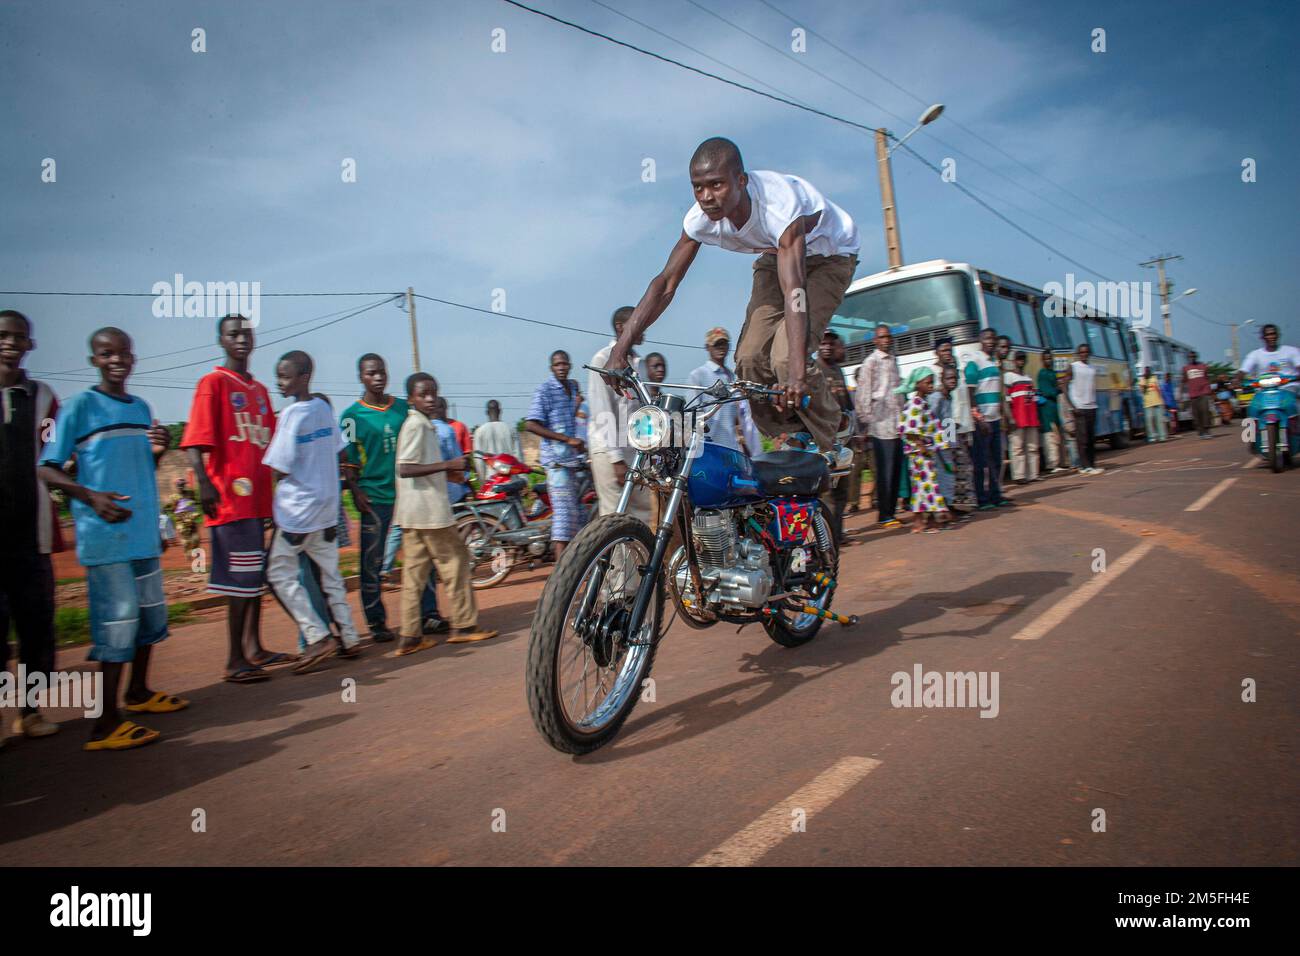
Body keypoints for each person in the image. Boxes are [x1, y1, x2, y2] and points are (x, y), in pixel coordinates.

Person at [607, 137, 859, 462]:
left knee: (785, 357)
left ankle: (836, 428)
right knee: (749, 359)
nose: (707, 198)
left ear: (741, 181)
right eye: (698, 188)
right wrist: (620, 348)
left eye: (717, 185)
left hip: (830, 256)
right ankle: (789, 433)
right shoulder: (699, 220)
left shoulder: (779, 206)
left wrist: (796, 374)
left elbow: (795, 290)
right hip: (774, 256)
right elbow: (666, 283)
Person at [38, 328, 184, 751]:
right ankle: (104, 724)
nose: (116, 359)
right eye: (107, 353)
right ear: (94, 360)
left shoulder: (141, 408)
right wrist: (91, 496)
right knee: (118, 624)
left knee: (149, 619)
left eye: (123, 353)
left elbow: (141, 464)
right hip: (105, 536)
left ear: (133, 359)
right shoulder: (79, 407)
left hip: (141, 533)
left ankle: (138, 693)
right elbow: (47, 468)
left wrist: (160, 449)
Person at [182, 314, 293, 684]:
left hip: (259, 501)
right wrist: (204, 483)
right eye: (233, 334)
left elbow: (274, 448)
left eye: (246, 333)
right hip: (230, 500)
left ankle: (255, 647)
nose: (241, 339)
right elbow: (196, 441)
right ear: (221, 341)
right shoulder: (213, 383)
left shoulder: (260, 391)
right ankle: (234, 660)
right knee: (238, 583)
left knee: (253, 578)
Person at [261, 351, 363, 673]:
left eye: (285, 376)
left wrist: (266, 502)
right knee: (331, 576)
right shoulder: (322, 408)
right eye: (279, 376)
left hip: (297, 513)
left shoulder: (292, 415)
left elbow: (278, 465)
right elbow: (338, 449)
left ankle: (317, 636)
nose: (279, 382)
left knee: (276, 573)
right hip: (326, 511)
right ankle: (348, 636)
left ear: (303, 377)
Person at [338, 354, 441, 643]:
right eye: (371, 374)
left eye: (382, 372)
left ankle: (429, 614)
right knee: (372, 562)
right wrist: (355, 490)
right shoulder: (351, 416)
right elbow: (347, 459)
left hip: (410, 495)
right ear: (361, 377)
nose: (378, 377)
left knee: (422, 557)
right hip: (375, 498)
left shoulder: (402, 408)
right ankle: (376, 622)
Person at [395, 373, 498, 655]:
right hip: (429, 513)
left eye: (433, 393)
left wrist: (450, 474)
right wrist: (447, 464)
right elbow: (405, 467)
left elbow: (417, 468)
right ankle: (465, 626)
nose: (430, 399)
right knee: (457, 564)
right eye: (422, 394)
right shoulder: (417, 425)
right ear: (411, 399)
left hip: (413, 512)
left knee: (413, 577)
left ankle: (409, 635)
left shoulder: (421, 424)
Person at [0, 310, 62, 746]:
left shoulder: (43, 399)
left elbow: (54, 455)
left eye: (19, 337)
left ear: (30, 345)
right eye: (4, 335)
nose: (11, 343)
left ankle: (30, 711)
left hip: (32, 538)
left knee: (38, 631)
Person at [588, 307, 653, 522]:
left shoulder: (640, 364)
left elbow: (644, 410)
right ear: (620, 327)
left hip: (636, 452)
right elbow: (601, 411)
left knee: (644, 516)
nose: (644, 326)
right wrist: (616, 460)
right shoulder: (603, 359)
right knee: (615, 518)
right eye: (639, 321)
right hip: (608, 451)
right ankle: (615, 557)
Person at [525, 350, 587, 561]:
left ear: (570, 366)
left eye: (564, 364)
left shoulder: (571, 390)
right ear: (551, 368)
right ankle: (561, 570)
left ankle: (577, 566)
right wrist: (566, 439)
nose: (561, 367)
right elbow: (531, 424)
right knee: (563, 518)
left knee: (579, 515)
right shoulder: (544, 390)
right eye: (557, 365)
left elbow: (571, 421)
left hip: (572, 462)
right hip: (557, 464)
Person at [854, 323, 904, 528]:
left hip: (897, 424)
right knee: (885, 471)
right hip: (880, 425)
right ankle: (884, 514)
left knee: (896, 471)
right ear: (875, 340)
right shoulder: (870, 363)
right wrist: (866, 422)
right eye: (882, 337)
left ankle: (891, 511)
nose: (886, 340)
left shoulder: (894, 360)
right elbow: (863, 394)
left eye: (888, 337)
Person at [689, 326, 764, 455]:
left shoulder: (733, 378)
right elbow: (691, 414)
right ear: (708, 347)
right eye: (716, 344)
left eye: (723, 344)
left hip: (731, 447)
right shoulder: (698, 375)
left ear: (728, 346)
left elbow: (743, 416)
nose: (721, 348)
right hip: (708, 446)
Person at [895, 367, 951, 533]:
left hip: (925, 452)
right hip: (920, 454)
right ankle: (924, 522)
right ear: (918, 384)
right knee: (926, 486)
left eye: (932, 382)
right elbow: (909, 429)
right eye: (928, 383)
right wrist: (921, 447)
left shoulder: (923, 402)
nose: (932, 386)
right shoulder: (915, 403)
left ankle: (924, 521)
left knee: (924, 487)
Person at [965, 328, 1014, 507]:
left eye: (993, 338)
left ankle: (996, 495)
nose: (991, 342)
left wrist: (1002, 416)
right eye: (987, 338)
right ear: (980, 340)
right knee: (981, 462)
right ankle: (981, 499)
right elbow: (970, 393)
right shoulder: (974, 361)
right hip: (982, 421)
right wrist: (979, 418)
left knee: (996, 461)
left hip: (995, 419)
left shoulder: (995, 362)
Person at [817, 330, 854, 541]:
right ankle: (828, 537)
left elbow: (847, 403)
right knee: (829, 491)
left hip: (845, 438)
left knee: (842, 489)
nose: (828, 346)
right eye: (823, 343)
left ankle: (838, 534)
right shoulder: (814, 370)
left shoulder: (837, 370)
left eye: (832, 343)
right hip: (826, 440)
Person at [934, 337, 975, 515]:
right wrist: (944, 440)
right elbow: (932, 416)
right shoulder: (936, 386)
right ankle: (946, 507)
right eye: (944, 350)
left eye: (950, 350)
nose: (947, 353)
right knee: (945, 470)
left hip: (955, 430)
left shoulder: (954, 378)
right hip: (941, 437)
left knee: (959, 468)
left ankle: (955, 504)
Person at [927, 366, 962, 522]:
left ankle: (949, 505)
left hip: (947, 444)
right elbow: (931, 421)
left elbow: (946, 421)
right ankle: (942, 511)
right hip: (938, 445)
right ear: (942, 379)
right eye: (949, 378)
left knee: (948, 475)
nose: (952, 381)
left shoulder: (949, 397)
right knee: (941, 476)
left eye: (955, 378)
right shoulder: (937, 397)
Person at [1004, 352, 1042, 483]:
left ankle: (1033, 474)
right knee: (1017, 447)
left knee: (1032, 447)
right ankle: (1019, 475)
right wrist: (1010, 418)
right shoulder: (1008, 377)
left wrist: (1037, 418)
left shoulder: (1028, 378)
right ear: (1014, 361)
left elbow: (1034, 399)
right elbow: (1006, 399)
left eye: (1023, 359)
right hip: (1017, 418)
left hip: (1031, 418)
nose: (1021, 361)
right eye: (1018, 359)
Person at [1068, 343, 1102, 475]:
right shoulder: (1073, 367)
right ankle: (1084, 466)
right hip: (1079, 407)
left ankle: (1092, 465)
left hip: (1092, 406)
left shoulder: (1092, 368)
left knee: (1092, 438)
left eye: (1086, 352)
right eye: (1081, 352)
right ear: (1078, 353)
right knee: (1083, 439)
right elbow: (1064, 386)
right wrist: (1072, 406)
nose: (1084, 354)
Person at [1239, 323, 1300, 394]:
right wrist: (1237, 380)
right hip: (1263, 392)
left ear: (1278, 335)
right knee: (1254, 404)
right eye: (1268, 335)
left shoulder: (1291, 351)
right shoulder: (1254, 355)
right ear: (1262, 337)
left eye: (1273, 334)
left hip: (1289, 389)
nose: (1271, 337)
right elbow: (1243, 371)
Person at [1036, 350, 1068, 473]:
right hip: (1047, 409)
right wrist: (1057, 389)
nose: (1049, 360)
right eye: (1046, 359)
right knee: (1051, 436)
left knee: (1058, 436)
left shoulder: (1052, 373)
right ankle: (1052, 464)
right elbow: (1047, 391)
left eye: (1050, 358)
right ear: (1043, 360)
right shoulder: (1043, 373)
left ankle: (1061, 461)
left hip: (1055, 407)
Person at [472, 399, 521, 474]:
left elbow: (478, 460)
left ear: (487, 412)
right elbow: (518, 456)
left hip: (491, 480)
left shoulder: (479, 432)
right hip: (510, 479)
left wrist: (483, 482)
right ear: (500, 411)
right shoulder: (511, 430)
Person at [1182, 350, 1214, 438]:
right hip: (1193, 395)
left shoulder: (1203, 366)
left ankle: (1207, 431)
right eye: (1190, 357)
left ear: (1196, 357)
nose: (1192, 358)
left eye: (1194, 356)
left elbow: (1207, 378)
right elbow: (1183, 381)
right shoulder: (1186, 368)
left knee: (1205, 411)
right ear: (1188, 358)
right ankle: (1201, 432)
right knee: (1197, 414)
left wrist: (1210, 391)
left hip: (1203, 393)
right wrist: (1180, 395)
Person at [166, 476, 202, 555]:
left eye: (183, 485)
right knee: (186, 541)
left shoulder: (190, 493)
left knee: (196, 538)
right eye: (180, 485)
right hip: (181, 520)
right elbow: (171, 509)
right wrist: (177, 517)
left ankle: (195, 551)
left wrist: (195, 512)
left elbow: (196, 502)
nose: (181, 487)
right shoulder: (174, 497)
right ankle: (187, 550)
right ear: (177, 486)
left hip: (191, 517)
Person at [1140, 366, 1168, 443]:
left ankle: (1162, 437)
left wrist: (1162, 400)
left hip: (1157, 402)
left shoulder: (1154, 378)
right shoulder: (1142, 380)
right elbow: (1143, 391)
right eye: (1146, 371)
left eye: (1148, 371)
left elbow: (1158, 389)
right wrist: (1145, 381)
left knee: (1159, 420)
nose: (1147, 372)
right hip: (1148, 404)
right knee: (1149, 421)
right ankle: (1152, 437)